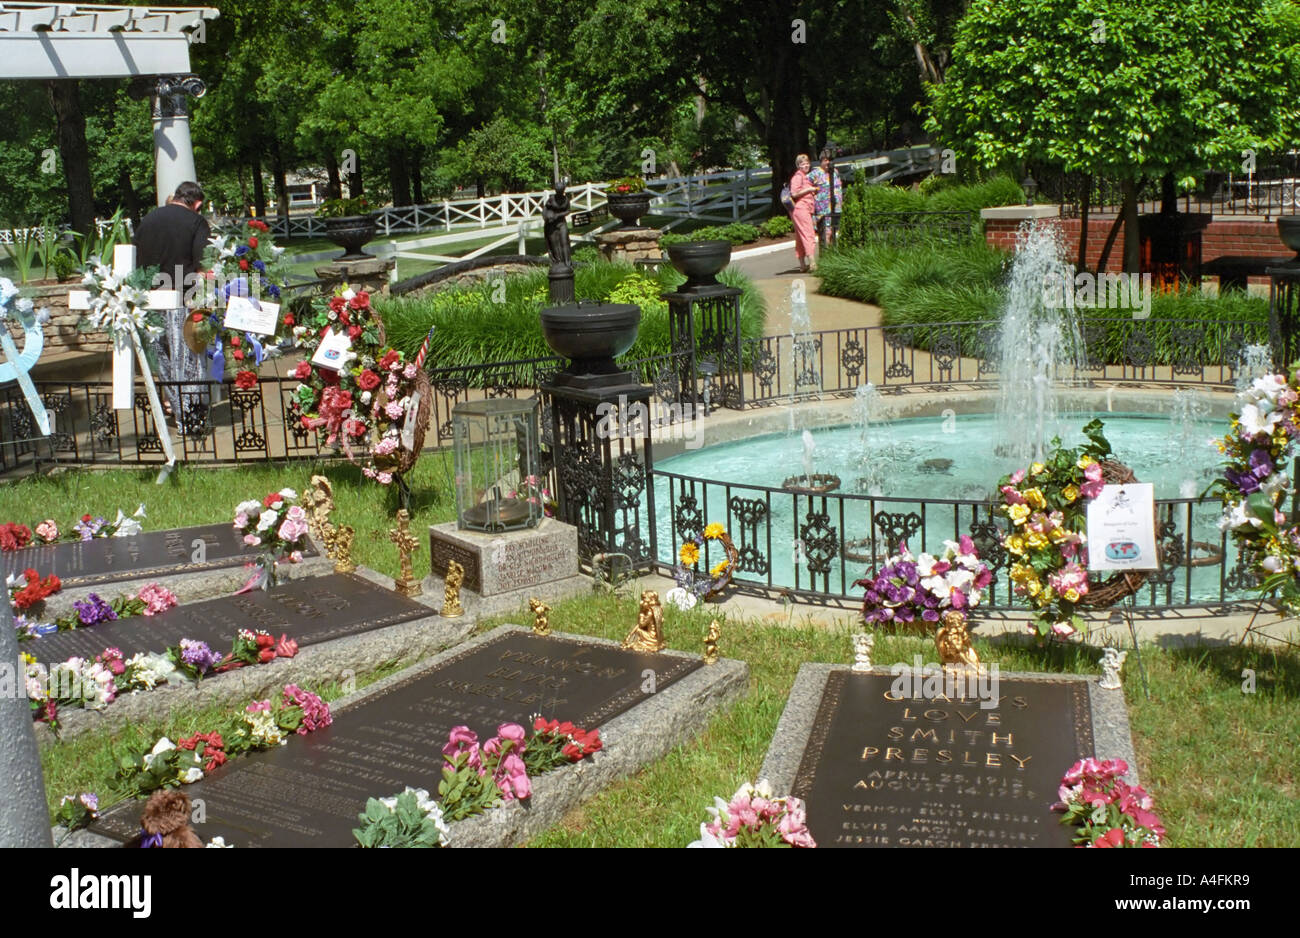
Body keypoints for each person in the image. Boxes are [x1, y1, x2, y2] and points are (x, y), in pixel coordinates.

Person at [133, 181, 211, 431]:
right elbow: (203, 264)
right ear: (197, 204)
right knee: (188, 360)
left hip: (149, 300)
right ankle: (190, 418)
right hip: (183, 297)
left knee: (163, 362)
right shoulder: (196, 222)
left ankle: (178, 410)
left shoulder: (148, 220)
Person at [807, 149, 843, 248]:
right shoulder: (815, 173)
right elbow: (805, 185)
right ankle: (827, 255)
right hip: (824, 208)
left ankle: (833, 252)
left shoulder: (835, 172)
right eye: (826, 160)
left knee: (834, 230)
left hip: (836, 207)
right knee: (827, 232)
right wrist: (812, 192)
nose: (828, 162)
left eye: (830, 160)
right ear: (821, 161)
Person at [789, 154, 818, 272]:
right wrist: (810, 189)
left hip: (805, 209)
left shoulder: (806, 177)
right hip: (801, 209)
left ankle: (802, 265)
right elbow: (794, 193)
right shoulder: (797, 177)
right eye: (802, 164)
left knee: (801, 238)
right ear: (798, 165)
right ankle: (812, 263)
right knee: (808, 234)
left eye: (807, 163)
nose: (806, 165)